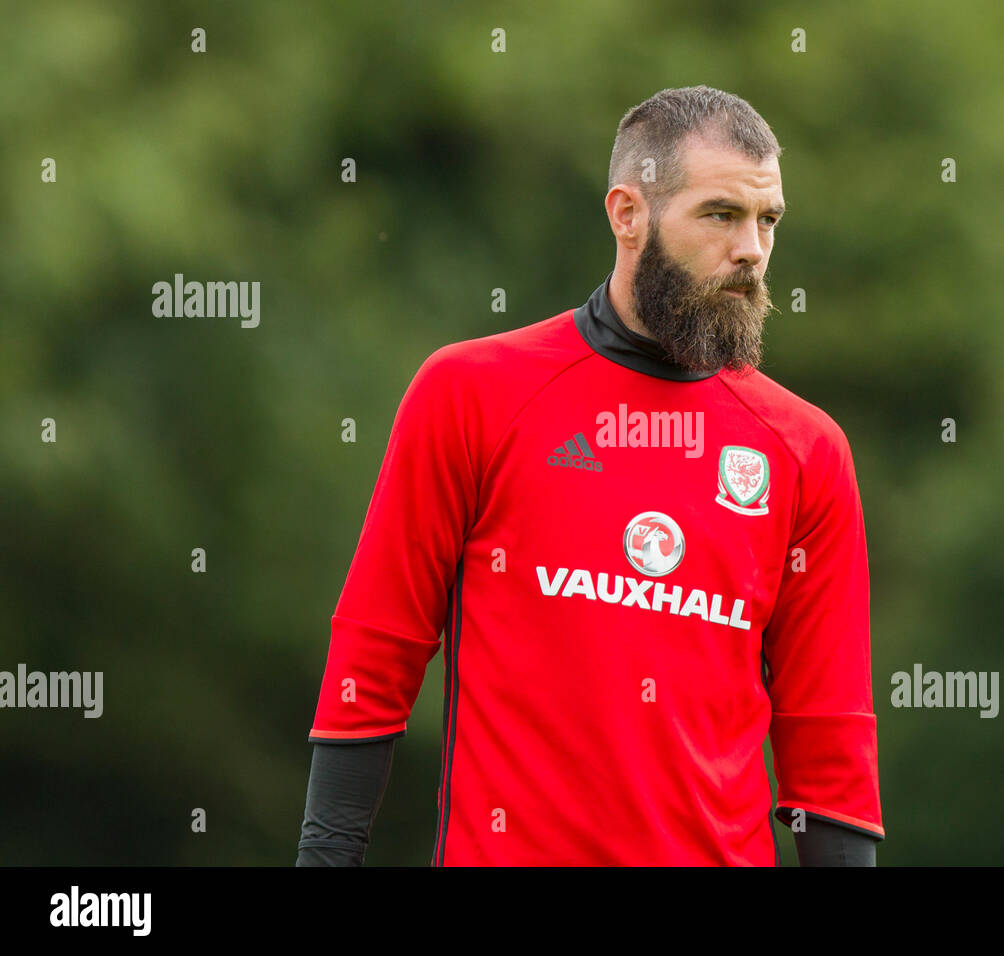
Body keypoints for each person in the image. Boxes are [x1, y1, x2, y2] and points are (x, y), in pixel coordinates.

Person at [297, 85, 884, 866]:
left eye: (767, 220)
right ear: (628, 214)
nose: (751, 248)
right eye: (720, 214)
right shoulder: (470, 394)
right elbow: (374, 653)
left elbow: (827, 738)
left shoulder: (806, 450)